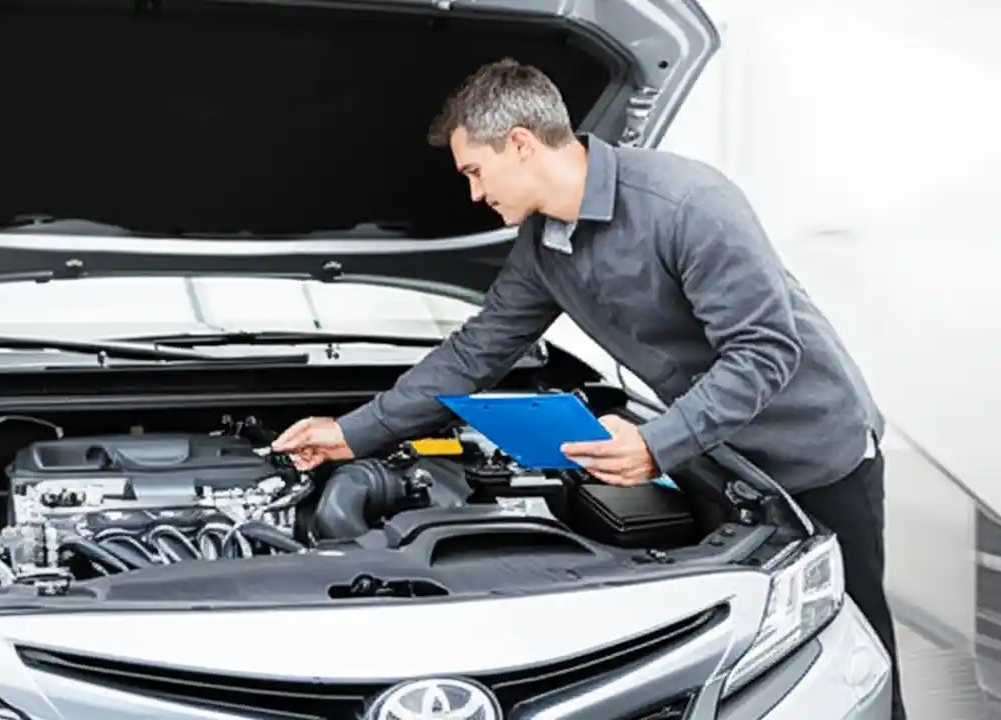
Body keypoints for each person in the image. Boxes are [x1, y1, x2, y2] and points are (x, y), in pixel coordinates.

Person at [273, 59, 905, 714]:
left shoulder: (685, 203)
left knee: (848, 650)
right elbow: (476, 351)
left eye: (474, 172)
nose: (472, 195)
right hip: (717, 456)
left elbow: (765, 351)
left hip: (813, 453)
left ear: (519, 144)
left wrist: (659, 443)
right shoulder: (545, 246)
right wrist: (352, 431)